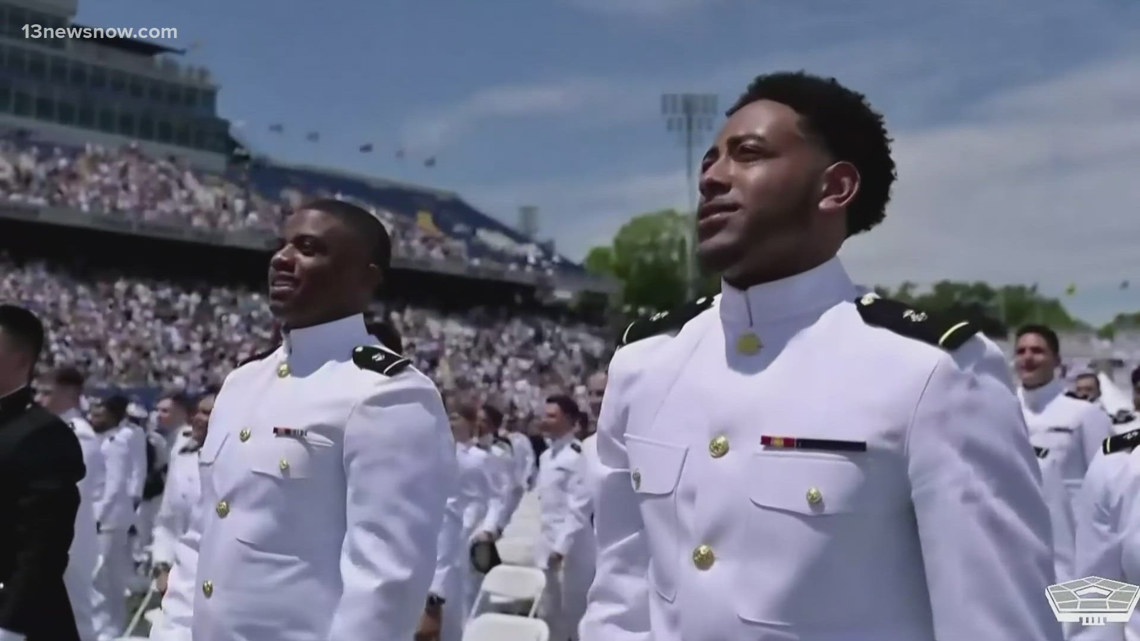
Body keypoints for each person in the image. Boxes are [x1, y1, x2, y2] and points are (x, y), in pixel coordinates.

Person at [580, 71, 1061, 641]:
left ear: (834, 187)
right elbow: (621, 597)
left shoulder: (932, 371)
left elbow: (997, 623)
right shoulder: (645, 363)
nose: (712, 177)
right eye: (710, 160)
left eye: (748, 154)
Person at [152, 198, 456, 641]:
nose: (282, 258)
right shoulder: (243, 382)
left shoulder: (387, 392)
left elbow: (385, 582)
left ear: (366, 277)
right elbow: (205, 533)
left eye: (309, 248)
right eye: (281, 245)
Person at [0, 304, 86, 641]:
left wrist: (9, 627)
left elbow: (42, 549)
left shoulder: (44, 436)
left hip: (18, 618)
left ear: (21, 360)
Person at [39, 366, 103, 641]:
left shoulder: (78, 434)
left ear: (68, 395)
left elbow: (70, 488)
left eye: (47, 393)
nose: (39, 399)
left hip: (68, 539)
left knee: (75, 614)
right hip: (45, 535)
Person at [536, 395, 592, 641]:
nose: (545, 420)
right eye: (544, 415)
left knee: (575, 616)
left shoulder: (578, 456)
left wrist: (560, 548)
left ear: (568, 420)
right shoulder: (546, 457)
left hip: (571, 551)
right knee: (550, 614)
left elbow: (579, 507)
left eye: (552, 416)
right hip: (547, 545)